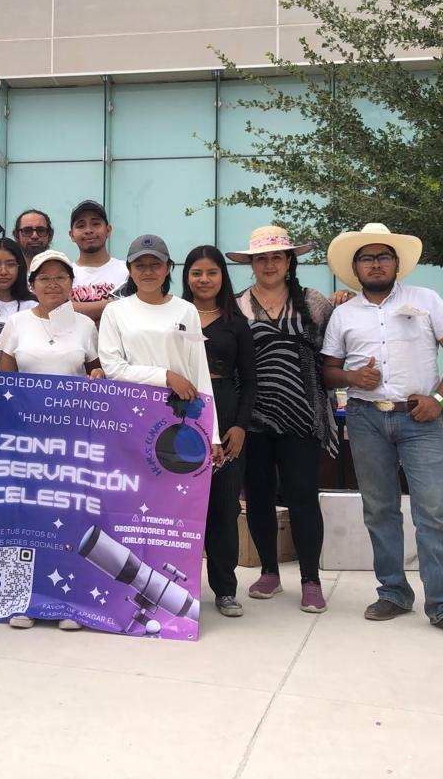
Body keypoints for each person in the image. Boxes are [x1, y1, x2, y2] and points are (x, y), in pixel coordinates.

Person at [321, 222, 443, 641]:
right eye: (367, 258)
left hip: (420, 417)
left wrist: (439, 399)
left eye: (382, 256)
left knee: (435, 513)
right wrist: (353, 377)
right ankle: (393, 591)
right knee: (380, 509)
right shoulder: (343, 313)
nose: (376, 264)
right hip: (366, 418)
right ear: (355, 268)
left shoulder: (426, 300)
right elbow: (328, 370)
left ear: (396, 263)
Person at [228, 226, 343, 614]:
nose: (269, 264)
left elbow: (335, 350)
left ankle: (310, 579)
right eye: (261, 258)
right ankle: (269, 571)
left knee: (302, 496)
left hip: (303, 414)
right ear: (252, 264)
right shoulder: (238, 304)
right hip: (253, 416)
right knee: (258, 496)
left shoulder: (314, 303)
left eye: (277, 256)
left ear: (290, 261)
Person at [0, 248, 102, 631]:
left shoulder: (86, 328)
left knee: (74, 521)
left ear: (72, 284)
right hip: (28, 444)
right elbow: (2, 383)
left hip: (73, 442)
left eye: (61, 277)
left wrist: (98, 378)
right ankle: (26, 598)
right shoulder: (16, 323)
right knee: (29, 519)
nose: (53, 284)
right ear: (32, 285)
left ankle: (68, 602)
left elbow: (98, 375)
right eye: (44, 278)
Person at [182, 245, 256, 618]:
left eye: (211, 272)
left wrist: (240, 425)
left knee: (224, 506)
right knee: (178, 506)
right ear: (186, 277)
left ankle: (225, 589)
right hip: (180, 413)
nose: (204, 279)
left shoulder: (235, 321)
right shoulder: (174, 315)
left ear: (222, 277)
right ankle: (180, 586)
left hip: (225, 410)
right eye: (197, 273)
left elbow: (250, 381)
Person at [98, 234, 219, 449]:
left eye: (155, 265)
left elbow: (199, 370)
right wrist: (166, 377)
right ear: (129, 269)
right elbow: (113, 369)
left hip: (180, 413)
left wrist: (213, 433)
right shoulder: (114, 311)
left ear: (168, 268)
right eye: (139, 265)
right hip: (132, 414)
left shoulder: (186, 310)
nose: (147, 271)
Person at [68, 200, 127, 323]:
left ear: (108, 230)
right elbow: (59, 310)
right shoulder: (64, 274)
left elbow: (134, 308)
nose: (89, 230)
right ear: (72, 235)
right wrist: (116, 304)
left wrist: (75, 308)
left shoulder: (128, 270)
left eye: (95, 224)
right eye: (81, 225)